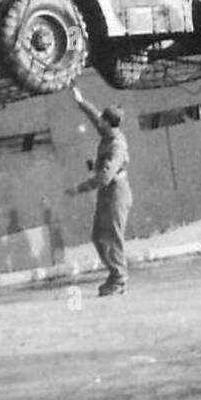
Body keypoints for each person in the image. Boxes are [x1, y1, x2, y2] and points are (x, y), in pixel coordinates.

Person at [66, 86, 132, 296]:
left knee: (113, 236)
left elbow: (105, 176)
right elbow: (95, 118)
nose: (99, 122)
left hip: (116, 193)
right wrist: (80, 101)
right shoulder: (108, 131)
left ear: (108, 122)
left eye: (102, 119)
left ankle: (119, 278)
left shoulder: (117, 145)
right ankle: (116, 275)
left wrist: (79, 188)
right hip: (108, 193)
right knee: (99, 236)